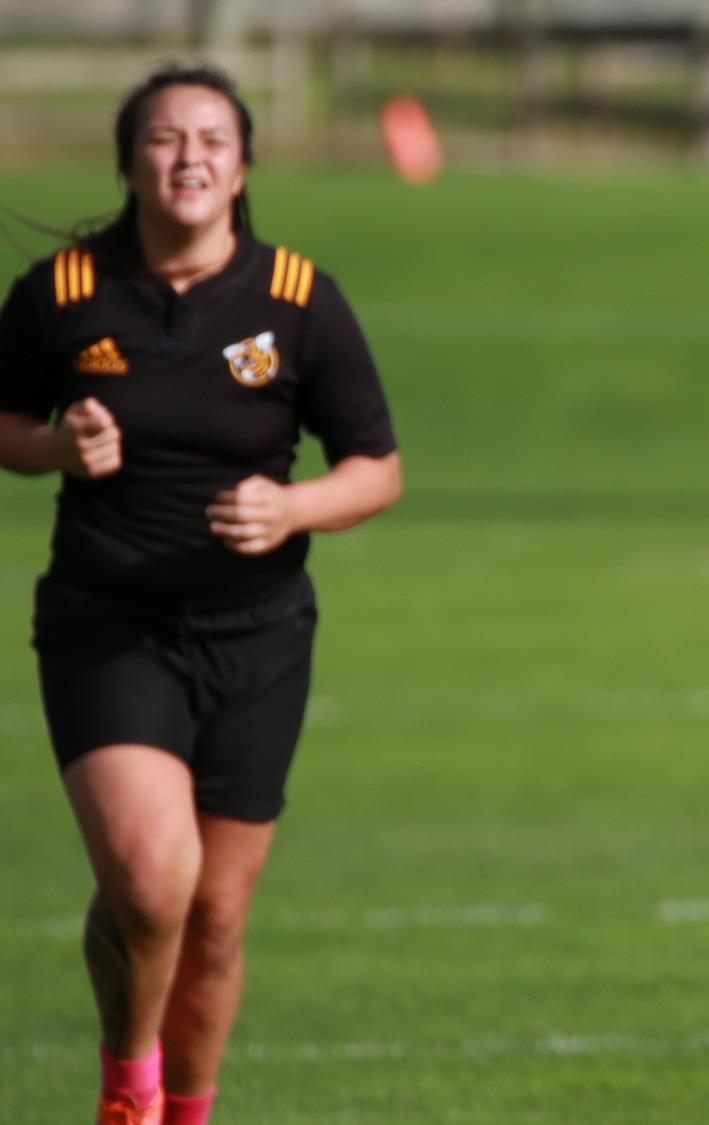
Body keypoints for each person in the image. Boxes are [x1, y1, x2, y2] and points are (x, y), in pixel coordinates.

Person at [0, 65, 400, 1125]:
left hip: (259, 636)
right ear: (129, 161)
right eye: (165, 139)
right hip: (107, 625)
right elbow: (2, 426)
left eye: (212, 140)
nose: (189, 157)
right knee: (150, 883)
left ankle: (187, 1110)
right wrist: (56, 447)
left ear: (242, 167)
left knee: (215, 919)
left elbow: (377, 466)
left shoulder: (299, 299)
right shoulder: (63, 291)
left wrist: (294, 509)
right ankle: (126, 1089)